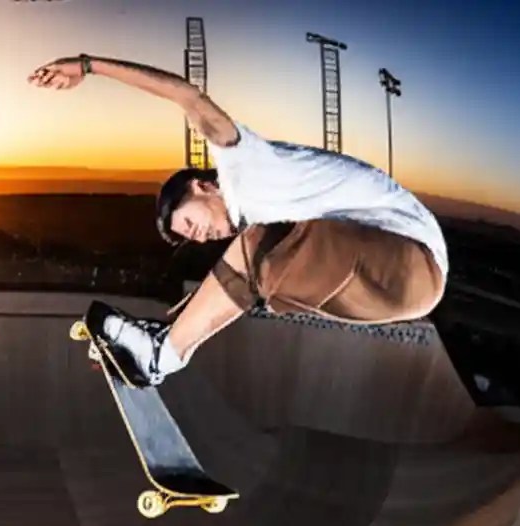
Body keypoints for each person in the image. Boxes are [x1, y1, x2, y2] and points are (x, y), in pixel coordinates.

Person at [27, 54, 449, 386]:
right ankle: (161, 348)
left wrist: (87, 66)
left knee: (263, 243)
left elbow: (185, 95)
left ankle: (163, 356)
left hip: (412, 260)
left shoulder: (238, 162)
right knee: (254, 257)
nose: (203, 236)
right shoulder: (256, 215)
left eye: (191, 224)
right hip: (382, 293)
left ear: (201, 186)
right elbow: (226, 285)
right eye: (193, 237)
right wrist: (143, 339)